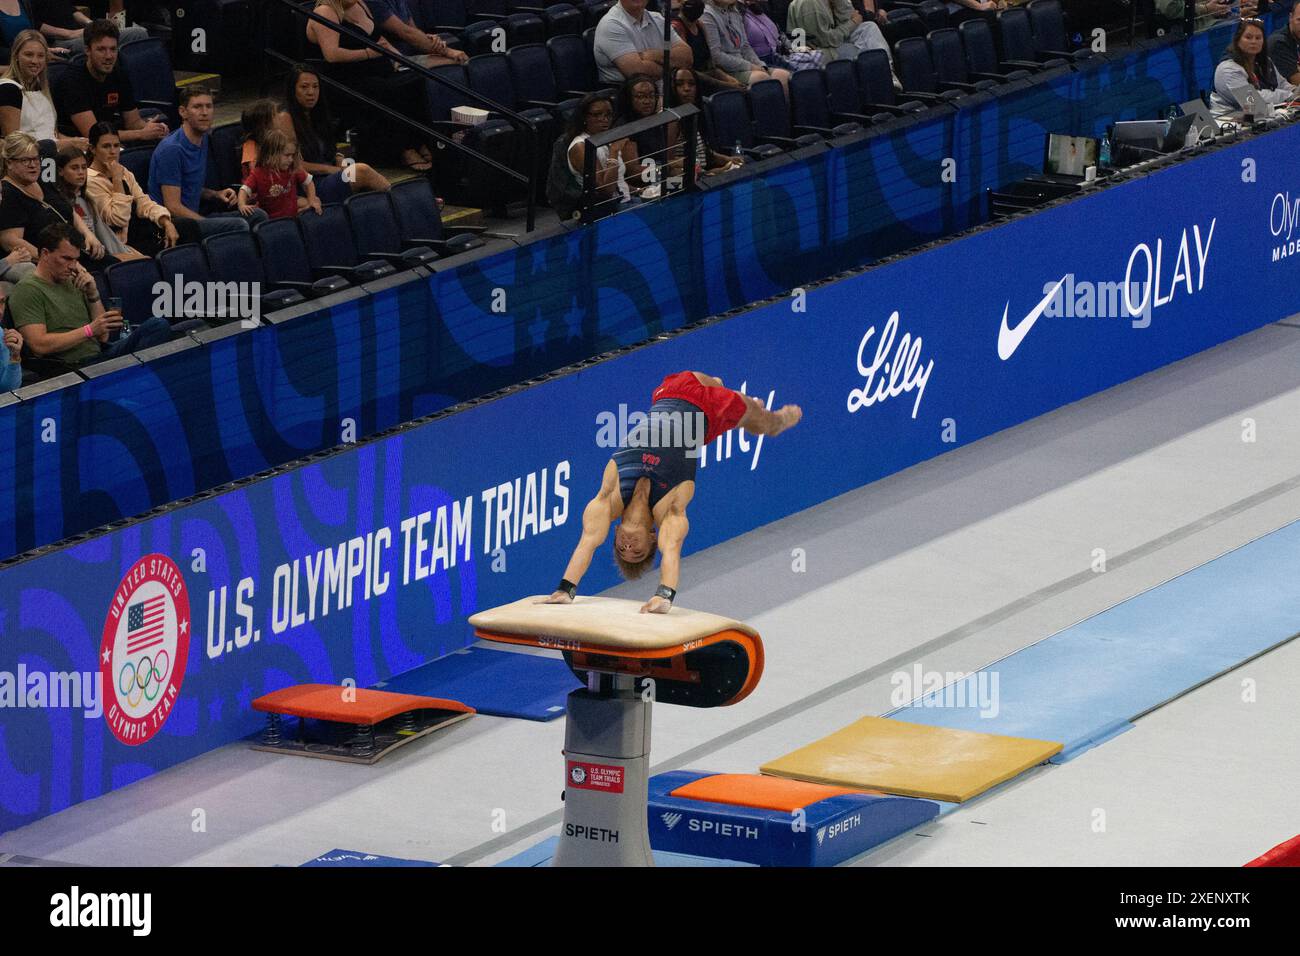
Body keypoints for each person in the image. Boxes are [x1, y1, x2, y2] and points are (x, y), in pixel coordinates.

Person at [540, 371, 801, 612]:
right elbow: (672, 549)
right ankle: (775, 420)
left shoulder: (609, 497)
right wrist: (664, 595)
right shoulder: (670, 508)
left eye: (622, 549)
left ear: (615, 532)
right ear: (653, 538)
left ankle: (732, 394)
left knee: (711, 379)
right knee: (758, 418)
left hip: (671, 393)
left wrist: (566, 588)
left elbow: (587, 542)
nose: (628, 546)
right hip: (709, 412)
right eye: (637, 551)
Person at [10, 222, 172, 367]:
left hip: (100, 353)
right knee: (157, 326)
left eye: (75, 259)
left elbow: (103, 336)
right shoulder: (27, 289)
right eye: (66, 259)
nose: (73, 266)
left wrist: (93, 293)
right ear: (45, 254)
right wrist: (89, 331)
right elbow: (39, 346)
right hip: (74, 366)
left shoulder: (75, 281)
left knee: (159, 327)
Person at [305, 0, 437, 172]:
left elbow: (379, 40)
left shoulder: (360, 4)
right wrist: (368, 53)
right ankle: (404, 148)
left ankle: (421, 141)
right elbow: (332, 54)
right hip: (345, 79)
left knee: (416, 81)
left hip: (377, 71)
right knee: (391, 91)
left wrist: (403, 62)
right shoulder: (326, 11)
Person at [148, 86, 269, 241]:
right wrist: (208, 223)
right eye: (197, 107)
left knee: (258, 215)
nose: (205, 112)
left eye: (209, 106)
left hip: (197, 213)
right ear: (182, 112)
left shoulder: (203, 139)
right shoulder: (171, 150)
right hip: (178, 223)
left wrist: (215, 194)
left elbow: (187, 187)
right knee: (238, 226)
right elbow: (172, 206)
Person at [276, 64, 390, 205]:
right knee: (361, 171)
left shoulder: (318, 114)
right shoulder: (285, 118)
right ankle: (398, 205)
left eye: (315, 86)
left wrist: (339, 158)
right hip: (309, 185)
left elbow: (329, 148)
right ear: (293, 90)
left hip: (329, 174)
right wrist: (331, 170)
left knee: (361, 178)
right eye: (304, 87)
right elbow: (292, 164)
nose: (311, 92)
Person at [55, 19, 168, 143]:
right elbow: (93, 134)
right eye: (101, 49)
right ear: (87, 50)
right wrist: (140, 134)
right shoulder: (72, 80)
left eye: (113, 49)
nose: (109, 56)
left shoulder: (118, 73)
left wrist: (153, 129)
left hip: (107, 135)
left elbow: (133, 122)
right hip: (79, 146)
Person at [85, 121, 178, 255]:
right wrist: (117, 180)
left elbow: (143, 202)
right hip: (124, 243)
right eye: (106, 146)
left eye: (116, 146)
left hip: (144, 230)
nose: (113, 152)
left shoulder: (124, 171)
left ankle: (181, 276)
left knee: (187, 228)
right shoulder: (90, 180)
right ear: (93, 149)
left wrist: (166, 221)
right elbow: (118, 219)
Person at [546, 91, 636, 221]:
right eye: (597, 115)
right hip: (607, 210)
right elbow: (606, 190)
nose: (604, 119)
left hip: (626, 200)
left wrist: (639, 190)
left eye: (608, 114)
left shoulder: (606, 138)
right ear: (584, 117)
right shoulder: (581, 146)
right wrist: (614, 152)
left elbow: (619, 183)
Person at [45, 143, 137, 267]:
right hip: (85, 257)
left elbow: (105, 232)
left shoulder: (88, 199)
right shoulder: (60, 203)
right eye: (74, 168)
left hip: (102, 252)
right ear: (60, 171)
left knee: (142, 260)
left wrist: (124, 244)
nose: (81, 172)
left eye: (83, 167)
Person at [0, 30, 88, 153]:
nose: (35, 61)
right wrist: (67, 143)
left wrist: (79, 142)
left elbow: (51, 134)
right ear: (16, 56)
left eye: (40, 56)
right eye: (29, 55)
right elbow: (14, 144)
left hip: (52, 156)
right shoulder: (8, 89)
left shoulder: (43, 88)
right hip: (28, 161)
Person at [0, 131, 62, 288]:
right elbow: (10, 241)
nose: (33, 164)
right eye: (25, 160)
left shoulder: (39, 181)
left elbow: (67, 211)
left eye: (35, 158)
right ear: (9, 163)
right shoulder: (8, 193)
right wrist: (52, 259)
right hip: (40, 259)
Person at [1210, 17, 1296, 119]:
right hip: (1229, 123)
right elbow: (1253, 100)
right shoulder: (1227, 69)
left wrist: (1295, 92)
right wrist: (1289, 95)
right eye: (1248, 37)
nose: (1253, 42)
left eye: (1258, 38)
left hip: (1263, 116)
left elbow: (1282, 84)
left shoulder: (1265, 62)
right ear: (1237, 40)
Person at [595, 0, 694, 87]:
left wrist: (651, 55)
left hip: (668, 91)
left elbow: (687, 57)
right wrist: (672, 65)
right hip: (632, 99)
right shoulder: (611, 25)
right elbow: (638, 73)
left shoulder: (658, 19)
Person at [700, 0, 791, 90]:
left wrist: (761, 66)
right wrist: (750, 66)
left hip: (744, 64)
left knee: (782, 75)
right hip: (725, 71)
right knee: (761, 78)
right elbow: (716, 56)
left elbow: (745, 46)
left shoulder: (735, 12)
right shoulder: (707, 14)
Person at [667, 68, 741, 176]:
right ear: (673, 88)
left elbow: (702, 151)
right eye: (680, 84)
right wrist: (719, 171)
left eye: (691, 84)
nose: (687, 88)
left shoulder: (694, 113)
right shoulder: (672, 120)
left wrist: (728, 159)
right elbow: (667, 164)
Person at [239, 130, 321, 220]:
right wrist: (242, 204)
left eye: (293, 155)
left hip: (292, 216)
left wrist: (311, 200)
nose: (291, 160)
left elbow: (309, 182)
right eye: (287, 155)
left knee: (315, 204)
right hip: (270, 221)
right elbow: (244, 190)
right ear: (271, 154)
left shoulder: (292, 169)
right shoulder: (258, 173)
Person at [786, 0, 894, 65]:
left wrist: (839, 3)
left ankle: (888, 71)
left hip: (830, 45)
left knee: (869, 27)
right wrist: (852, 23)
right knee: (864, 57)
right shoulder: (810, 4)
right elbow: (827, 41)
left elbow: (849, 18)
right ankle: (881, 80)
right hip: (815, 55)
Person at [366, 0, 468, 66]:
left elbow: (413, 29)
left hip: (412, 50)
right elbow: (406, 33)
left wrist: (428, 39)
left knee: (456, 47)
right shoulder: (373, 2)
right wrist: (448, 51)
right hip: (398, 59)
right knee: (456, 62)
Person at [672, 0, 742, 95]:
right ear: (680, 3)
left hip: (708, 75)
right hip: (692, 80)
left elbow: (711, 65)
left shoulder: (700, 25)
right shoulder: (676, 27)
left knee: (740, 87)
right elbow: (688, 70)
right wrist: (727, 85)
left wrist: (730, 80)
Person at [32, 0, 148, 53]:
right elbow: (35, 24)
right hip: (60, 41)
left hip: (81, 32)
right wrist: (71, 34)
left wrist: (91, 24)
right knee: (138, 33)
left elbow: (71, 10)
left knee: (139, 32)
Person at [238, 99, 280, 179]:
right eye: (275, 115)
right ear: (264, 124)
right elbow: (254, 170)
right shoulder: (249, 146)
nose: (279, 116)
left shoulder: (276, 141)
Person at [1270, 2, 1300, 86]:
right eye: (1299, 20)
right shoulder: (1279, 43)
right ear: (1290, 17)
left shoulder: (1296, 37)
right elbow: (1296, 81)